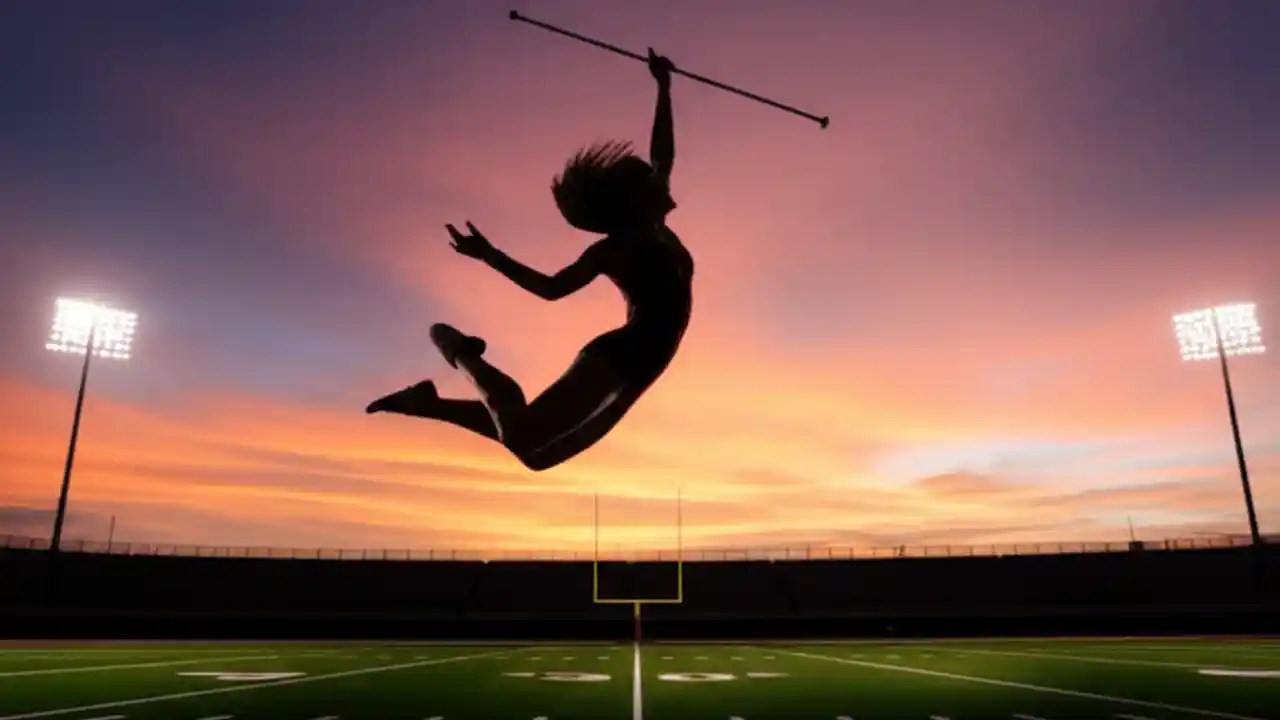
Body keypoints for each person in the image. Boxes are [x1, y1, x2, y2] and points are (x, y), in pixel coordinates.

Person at [367, 49, 693, 472]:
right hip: (623, 356)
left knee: (537, 448)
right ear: (635, 201)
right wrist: (491, 256)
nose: (662, 181)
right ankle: (462, 354)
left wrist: (664, 86)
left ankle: (427, 403)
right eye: (650, 180)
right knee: (526, 438)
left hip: (646, 362)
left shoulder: (656, 226)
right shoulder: (612, 250)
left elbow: (663, 154)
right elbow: (551, 288)